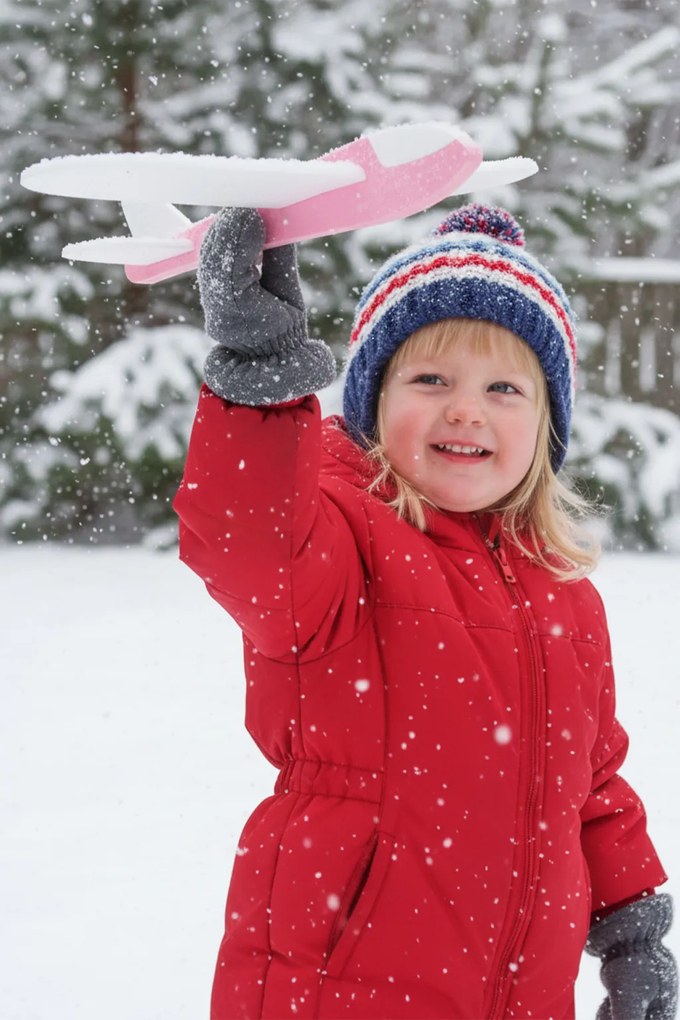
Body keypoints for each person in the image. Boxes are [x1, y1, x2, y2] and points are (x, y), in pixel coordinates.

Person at [174, 203, 677, 1020]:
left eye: (504, 387)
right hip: (341, 980)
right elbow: (248, 545)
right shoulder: (340, 537)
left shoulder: (566, 595)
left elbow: (590, 781)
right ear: (372, 402)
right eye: (431, 379)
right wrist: (261, 389)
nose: (466, 410)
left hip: (524, 994)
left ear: (547, 426)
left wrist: (632, 926)